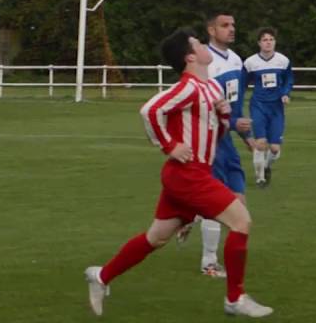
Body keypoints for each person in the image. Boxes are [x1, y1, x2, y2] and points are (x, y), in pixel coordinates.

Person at [83, 28, 273, 318]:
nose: (203, 44)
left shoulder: (211, 88)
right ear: (190, 57)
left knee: (156, 238)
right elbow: (150, 110)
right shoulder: (189, 86)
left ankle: (101, 277)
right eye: (198, 43)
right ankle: (235, 298)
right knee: (241, 221)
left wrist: (224, 116)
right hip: (189, 175)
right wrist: (168, 145)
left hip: (188, 174)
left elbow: (216, 133)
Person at [190, 11, 253, 278]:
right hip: (210, 143)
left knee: (238, 203)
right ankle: (209, 262)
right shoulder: (205, 63)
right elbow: (200, 108)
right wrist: (231, 121)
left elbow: (235, 107)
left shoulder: (236, 60)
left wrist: (246, 137)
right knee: (217, 205)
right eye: (225, 25)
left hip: (227, 141)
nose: (231, 29)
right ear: (211, 30)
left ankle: (187, 215)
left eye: (233, 25)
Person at [242, 27, 294, 187]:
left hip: (276, 107)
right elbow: (242, 83)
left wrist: (285, 93)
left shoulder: (283, 61)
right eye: (265, 39)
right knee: (260, 143)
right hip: (258, 105)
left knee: (274, 148)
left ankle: (266, 166)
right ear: (259, 43)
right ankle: (260, 179)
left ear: (275, 42)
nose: (268, 42)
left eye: (271, 39)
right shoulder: (250, 62)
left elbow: (288, 80)